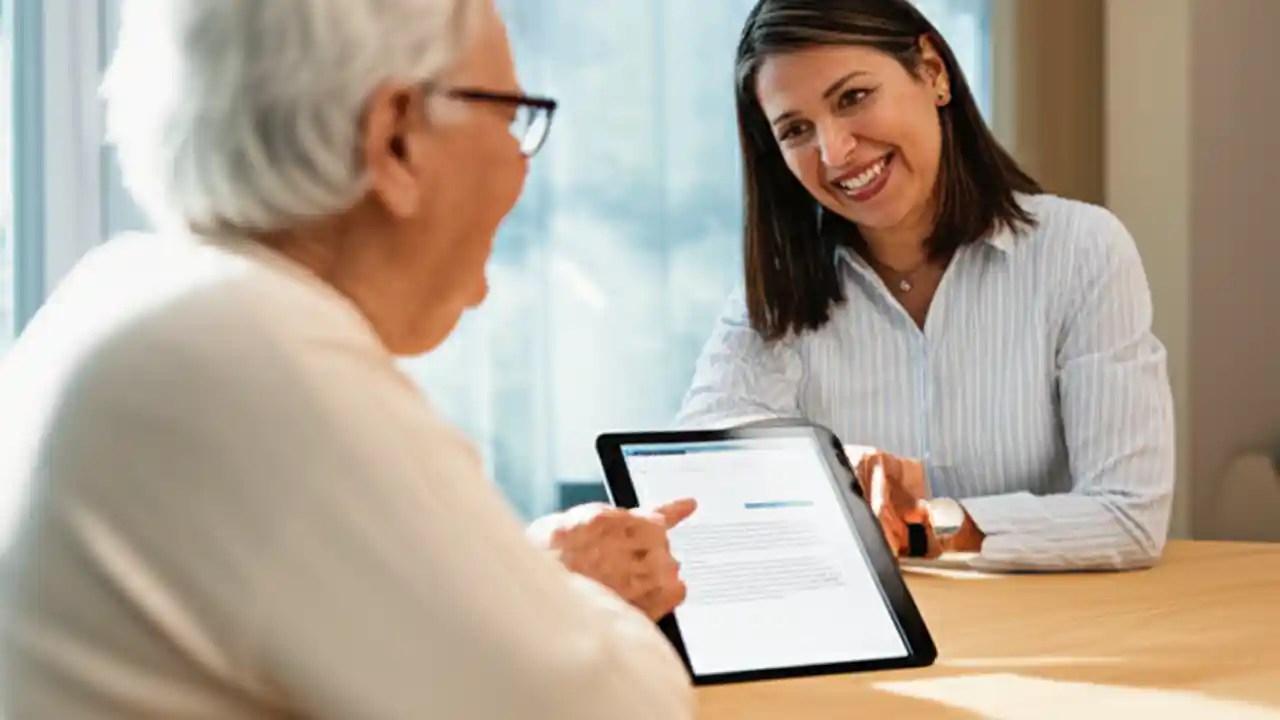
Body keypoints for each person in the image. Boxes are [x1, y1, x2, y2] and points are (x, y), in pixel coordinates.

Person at [0, 0, 695, 717]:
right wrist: (577, 594)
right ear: (396, 137)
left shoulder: (138, 304)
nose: (521, 165)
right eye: (511, 116)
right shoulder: (259, 359)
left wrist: (537, 588)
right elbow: (610, 708)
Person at [679, 0, 1175, 572]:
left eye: (853, 97)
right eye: (796, 130)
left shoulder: (1081, 250)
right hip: (856, 625)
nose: (834, 152)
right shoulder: (776, 292)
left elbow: (1128, 514)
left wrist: (923, 524)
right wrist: (807, 473)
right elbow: (699, 476)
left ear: (933, 71)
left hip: (1051, 622)